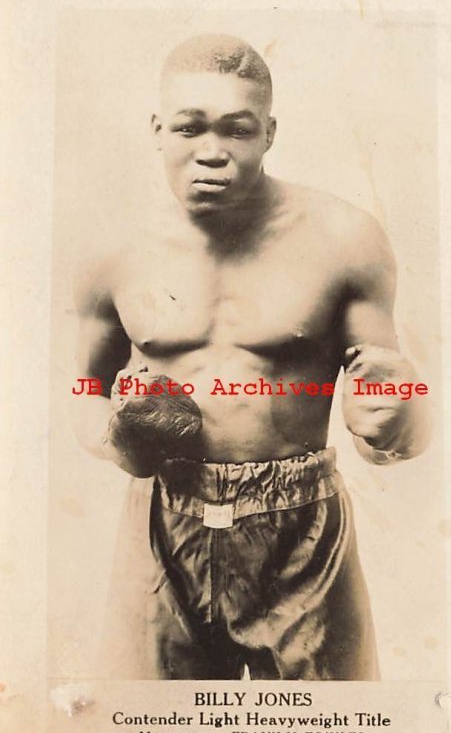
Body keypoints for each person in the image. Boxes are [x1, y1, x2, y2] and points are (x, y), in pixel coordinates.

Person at [72, 33, 429, 680]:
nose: (212, 152)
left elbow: (390, 413)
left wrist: (398, 418)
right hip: (163, 524)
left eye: (236, 130)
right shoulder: (114, 255)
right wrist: (116, 438)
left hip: (302, 535)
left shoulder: (344, 238)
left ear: (268, 132)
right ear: (157, 129)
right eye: (189, 128)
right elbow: (83, 392)